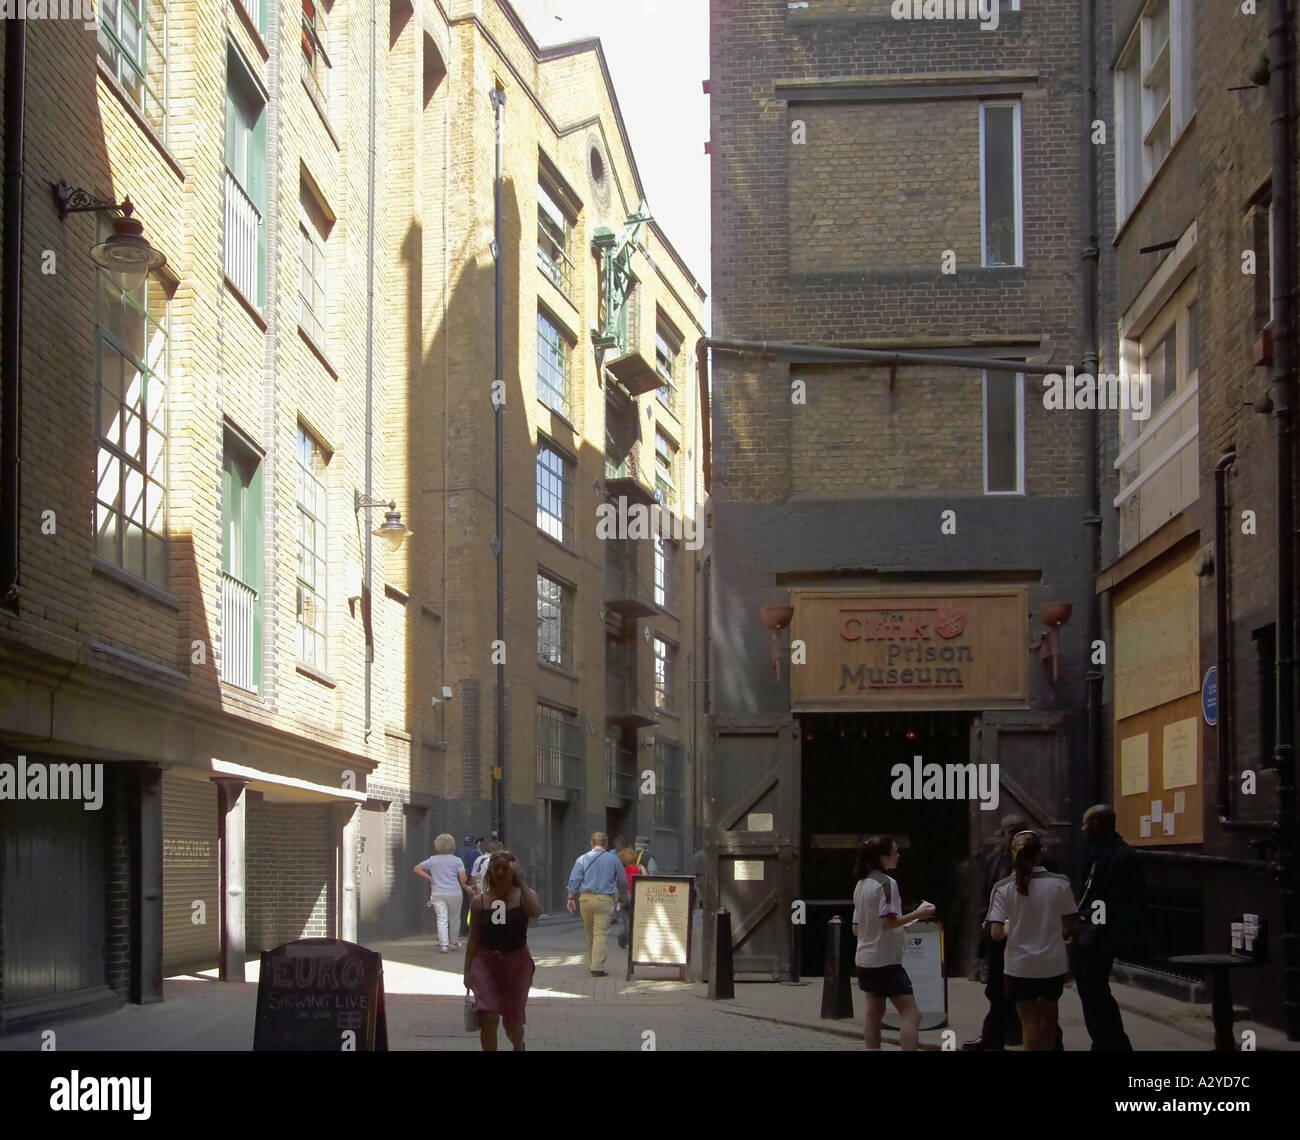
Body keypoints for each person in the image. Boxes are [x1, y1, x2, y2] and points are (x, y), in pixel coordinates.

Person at [987, 830, 1080, 1051]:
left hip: (1020, 965)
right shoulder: (1060, 883)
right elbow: (1070, 925)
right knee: (1049, 1019)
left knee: (1028, 1022)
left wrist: (1011, 925)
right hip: (1052, 963)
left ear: (1012, 853)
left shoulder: (1003, 887)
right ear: (1041, 854)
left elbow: (996, 933)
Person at [851, 835, 936, 1050]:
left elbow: (856, 927)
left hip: (864, 958)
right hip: (886, 960)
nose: (898, 855)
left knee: (873, 1013)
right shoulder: (887, 884)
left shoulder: (861, 885)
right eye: (895, 851)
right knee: (911, 1014)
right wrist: (918, 914)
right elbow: (888, 922)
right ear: (883, 857)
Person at [1073, 804, 1143, 1051]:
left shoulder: (1122, 856)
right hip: (1090, 934)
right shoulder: (1099, 852)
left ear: (1097, 824)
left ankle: (1114, 1044)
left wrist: (1088, 931)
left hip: (1101, 937)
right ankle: (1103, 1042)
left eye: (1085, 824)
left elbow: (1112, 902)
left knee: (1096, 992)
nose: (1081, 829)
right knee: (1090, 992)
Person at [464, 851, 543, 1051]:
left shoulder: (526, 895)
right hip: (486, 962)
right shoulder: (479, 902)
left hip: (516, 963)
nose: (500, 872)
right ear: (490, 870)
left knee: (512, 1022)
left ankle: (518, 1044)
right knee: (488, 1016)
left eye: (505, 868)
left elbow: (535, 913)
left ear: (514, 871)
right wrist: (467, 970)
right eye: (496, 868)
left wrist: (522, 882)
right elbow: (473, 939)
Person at [962, 815, 1028, 1050]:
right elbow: (985, 894)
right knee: (997, 989)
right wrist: (986, 922)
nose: (1013, 835)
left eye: (1018, 830)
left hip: (1026, 937)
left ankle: (1045, 1038)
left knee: (1029, 991)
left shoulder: (1040, 861)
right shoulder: (994, 860)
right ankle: (996, 1036)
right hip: (998, 934)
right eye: (1009, 831)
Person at [565, 831, 629, 975]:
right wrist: (622, 895)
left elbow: (574, 879)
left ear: (591, 843)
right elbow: (623, 881)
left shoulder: (582, 859)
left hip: (585, 899)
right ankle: (597, 967)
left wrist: (570, 897)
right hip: (604, 899)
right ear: (606, 844)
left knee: (589, 933)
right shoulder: (614, 860)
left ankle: (592, 962)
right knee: (600, 933)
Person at [414, 833, 470, 953]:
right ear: (452, 845)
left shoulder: (432, 860)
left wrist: (430, 878)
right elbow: (463, 879)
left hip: (437, 892)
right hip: (454, 892)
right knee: (455, 918)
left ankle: (443, 944)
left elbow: (417, 868)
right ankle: (454, 943)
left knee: (441, 918)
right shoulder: (457, 860)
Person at [455, 834, 483, 938]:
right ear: (475, 843)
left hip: (456, 882)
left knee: (459, 907)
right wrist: (473, 885)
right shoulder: (474, 852)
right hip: (468, 883)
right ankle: (466, 930)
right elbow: (475, 871)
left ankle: (457, 930)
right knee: (469, 907)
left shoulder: (458, 850)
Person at [616, 847, 643, 948]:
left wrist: (617, 901)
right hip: (637, 897)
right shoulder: (640, 868)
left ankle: (625, 937)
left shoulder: (620, 870)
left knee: (627, 921)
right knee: (637, 920)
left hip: (624, 897)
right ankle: (635, 942)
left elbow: (617, 886)